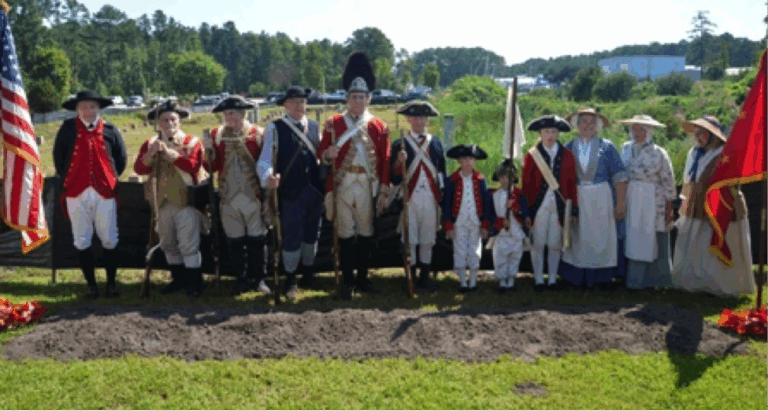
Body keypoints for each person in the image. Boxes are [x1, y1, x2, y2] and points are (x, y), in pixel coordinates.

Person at [317, 51, 392, 300]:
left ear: (368, 98)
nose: (358, 101)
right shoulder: (334, 123)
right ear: (347, 98)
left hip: (367, 184)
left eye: (362, 97)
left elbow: (385, 159)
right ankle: (348, 281)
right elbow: (321, 154)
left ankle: (363, 279)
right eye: (354, 97)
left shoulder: (378, 126)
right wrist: (329, 152)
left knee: (366, 232)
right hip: (343, 182)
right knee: (346, 234)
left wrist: (383, 188)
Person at [53, 90, 127, 300]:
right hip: (76, 192)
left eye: (92, 107)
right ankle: (91, 286)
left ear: (98, 109)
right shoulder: (67, 129)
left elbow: (120, 160)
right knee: (81, 239)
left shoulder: (111, 130)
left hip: (104, 192)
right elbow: (59, 158)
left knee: (110, 239)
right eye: (83, 107)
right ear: (77, 109)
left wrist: (107, 179)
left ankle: (111, 285)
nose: (88, 111)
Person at [671, 115, 756, 297]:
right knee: (694, 241)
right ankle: (695, 282)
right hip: (696, 205)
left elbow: (734, 182)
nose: (696, 136)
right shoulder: (694, 153)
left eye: (700, 132)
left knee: (715, 242)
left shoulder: (725, 154)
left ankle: (719, 286)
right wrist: (685, 202)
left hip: (722, 208)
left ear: (712, 135)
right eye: (695, 132)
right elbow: (688, 181)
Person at [134, 100, 207, 298]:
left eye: (173, 119)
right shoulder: (150, 143)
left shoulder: (191, 141)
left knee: (188, 244)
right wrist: (151, 153)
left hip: (187, 201)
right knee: (168, 243)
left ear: (179, 121)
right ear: (158, 123)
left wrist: (169, 153)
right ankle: (178, 280)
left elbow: (193, 166)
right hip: (161, 202)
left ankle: (194, 283)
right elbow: (139, 169)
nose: (169, 124)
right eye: (164, 120)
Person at [258, 86, 324, 301]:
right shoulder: (275, 128)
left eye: (302, 102)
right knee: (291, 237)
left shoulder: (314, 127)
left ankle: (308, 274)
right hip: (290, 192)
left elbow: (320, 158)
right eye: (294, 102)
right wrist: (269, 176)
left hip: (314, 191)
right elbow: (266, 158)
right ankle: (291, 280)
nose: (299, 106)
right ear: (285, 105)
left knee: (311, 235)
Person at [204, 96, 271, 297]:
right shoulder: (217, 135)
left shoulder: (257, 135)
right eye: (226, 114)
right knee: (235, 241)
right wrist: (208, 152)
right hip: (228, 197)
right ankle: (240, 280)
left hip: (253, 196)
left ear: (243, 114)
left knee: (257, 241)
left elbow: (266, 164)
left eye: (232, 113)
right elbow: (211, 167)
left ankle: (259, 279)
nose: (228, 117)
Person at [559, 108, 628, 289]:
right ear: (576, 124)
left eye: (591, 122)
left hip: (601, 198)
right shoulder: (568, 147)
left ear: (597, 125)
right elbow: (564, 179)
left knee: (601, 237)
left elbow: (619, 176)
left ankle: (600, 278)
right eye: (583, 121)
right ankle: (577, 277)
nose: (587, 125)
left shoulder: (607, 147)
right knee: (579, 237)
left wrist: (620, 203)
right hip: (579, 197)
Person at [390, 100, 445, 292]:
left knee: (427, 238)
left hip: (430, 197)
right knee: (410, 239)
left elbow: (441, 172)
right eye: (415, 118)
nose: (419, 122)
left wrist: (442, 197)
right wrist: (398, 161)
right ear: (408, 119)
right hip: (409, 198)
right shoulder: (400, 143)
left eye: (423, 117)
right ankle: (410, 277)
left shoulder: (436, 142)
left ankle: (425, 277)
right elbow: (394, 177)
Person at [618, 115, 676, 291]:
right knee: (633, 234)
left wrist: (669, 207)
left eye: (642, 129)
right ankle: (633, 279)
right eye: (634, 129)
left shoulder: (659, 153)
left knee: (653, 235)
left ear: (649, 131)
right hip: (631, 196)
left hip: (652, 197)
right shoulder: (625, 149)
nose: (637, 133)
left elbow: (668, 181)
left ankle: (656, 280)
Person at [522, 114, 579, 291]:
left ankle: (552, 279)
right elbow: (526, 185)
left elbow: (571, 184)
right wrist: (526, 211)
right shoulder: (532, 156)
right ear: (540, 133)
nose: (550, 135)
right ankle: (539, 279)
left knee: (555, 244)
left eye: (554, 131)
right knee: (537, 243)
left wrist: (574, 210)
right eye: (547, 131)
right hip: (537, 206)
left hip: (559, 206)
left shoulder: (567, 155)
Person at [442, 144, 492, 293]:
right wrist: (448, 224)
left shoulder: (481, 180)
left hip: (475, 221)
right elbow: (446, 205)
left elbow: (486, 203)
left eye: (471, 158)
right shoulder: (451, 181)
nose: (468, 162)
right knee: (460, 250)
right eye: (464, 159)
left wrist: (485, 224)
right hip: (459, 221)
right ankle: (463, 281)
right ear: (459, 161)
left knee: (475, 250)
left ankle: (473, 281)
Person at [491, 159, 528, 293]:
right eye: (502, 176)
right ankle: (502, 281)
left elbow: (525, 212)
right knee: (500, 256)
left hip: (516, 232)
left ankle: (511, 280)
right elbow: (491, 215)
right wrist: (499, 223)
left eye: (507, 176)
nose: (504, 179)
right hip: (502, 232)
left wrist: (515, 208)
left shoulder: (519, 194)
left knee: (515, 256)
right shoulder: (494, 196)